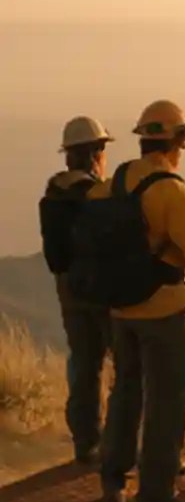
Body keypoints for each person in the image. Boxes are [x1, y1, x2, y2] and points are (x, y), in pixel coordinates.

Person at [84, 100, 185, 502]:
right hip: (162, 309)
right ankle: (157, 496)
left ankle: (112, 477)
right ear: (178, 141)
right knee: (167, 401)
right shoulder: (170, 189)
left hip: (120, 309)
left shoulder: (112, 183)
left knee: (125, 391)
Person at [38, 117, 117, 465]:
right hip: (103, 289)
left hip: (67, 288)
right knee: (126, 366)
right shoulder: (99, 194)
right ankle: (121, 444)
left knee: (85, 364)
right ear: (96, 153)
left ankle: (86, 442)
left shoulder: (52, 193)